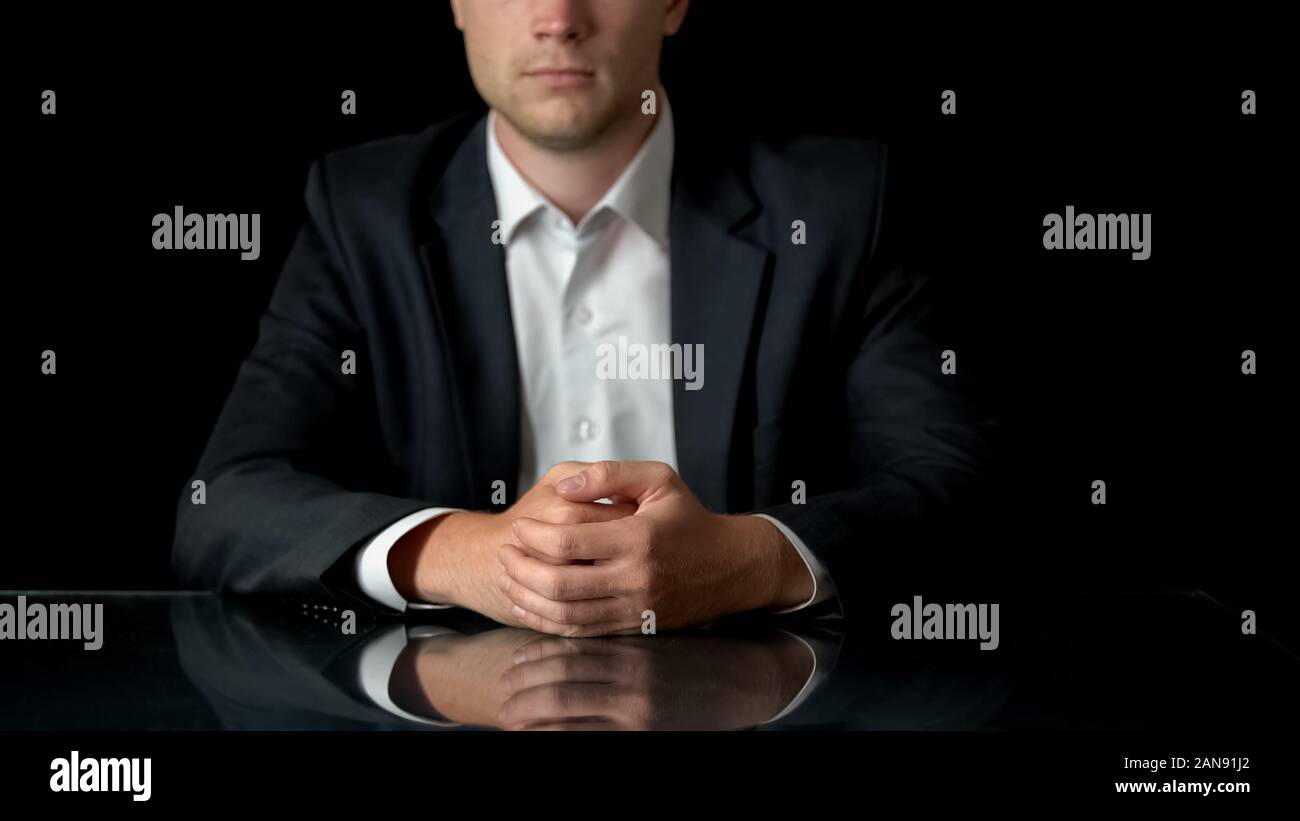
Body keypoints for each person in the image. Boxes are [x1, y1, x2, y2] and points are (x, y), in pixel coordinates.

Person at [173, 0, 991, 636]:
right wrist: (466, 553)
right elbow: (226, 500)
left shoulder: (842, 206)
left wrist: (751, 563)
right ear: (457, 4)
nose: (558, 19)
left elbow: (959, 492)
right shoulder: (362, 213)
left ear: (674, 4)